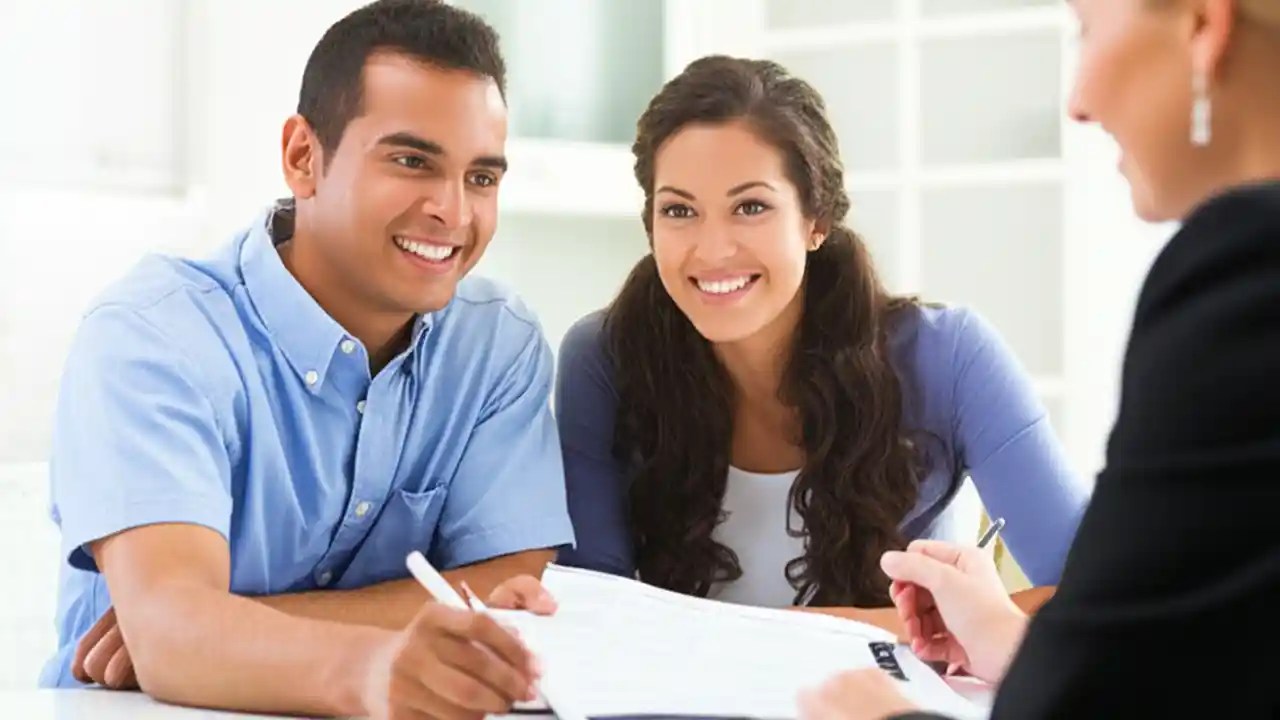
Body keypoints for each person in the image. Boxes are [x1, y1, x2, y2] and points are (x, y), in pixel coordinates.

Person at [39, 1, 574, 718]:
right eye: (412, 161)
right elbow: (171, 638)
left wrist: (221, 631)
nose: (454, 211)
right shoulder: (151, 336)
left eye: (481, 178)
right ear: (302, 157)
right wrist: (372, 658)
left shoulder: (497, 345)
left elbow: (509, 580)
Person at [801, 0, 1280, 716]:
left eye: (1088, 30)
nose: (1078, 102)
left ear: (1205, 28)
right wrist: (1008, 638)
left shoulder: (1248, 274)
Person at [553, 54, 1089, 629]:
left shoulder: (950, 358)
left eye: (750, 207)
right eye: (679, 210)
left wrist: (770, 642)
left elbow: (1099, 592)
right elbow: (590, 609)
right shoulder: (605, 359)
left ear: (817, 220)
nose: (711, 250)